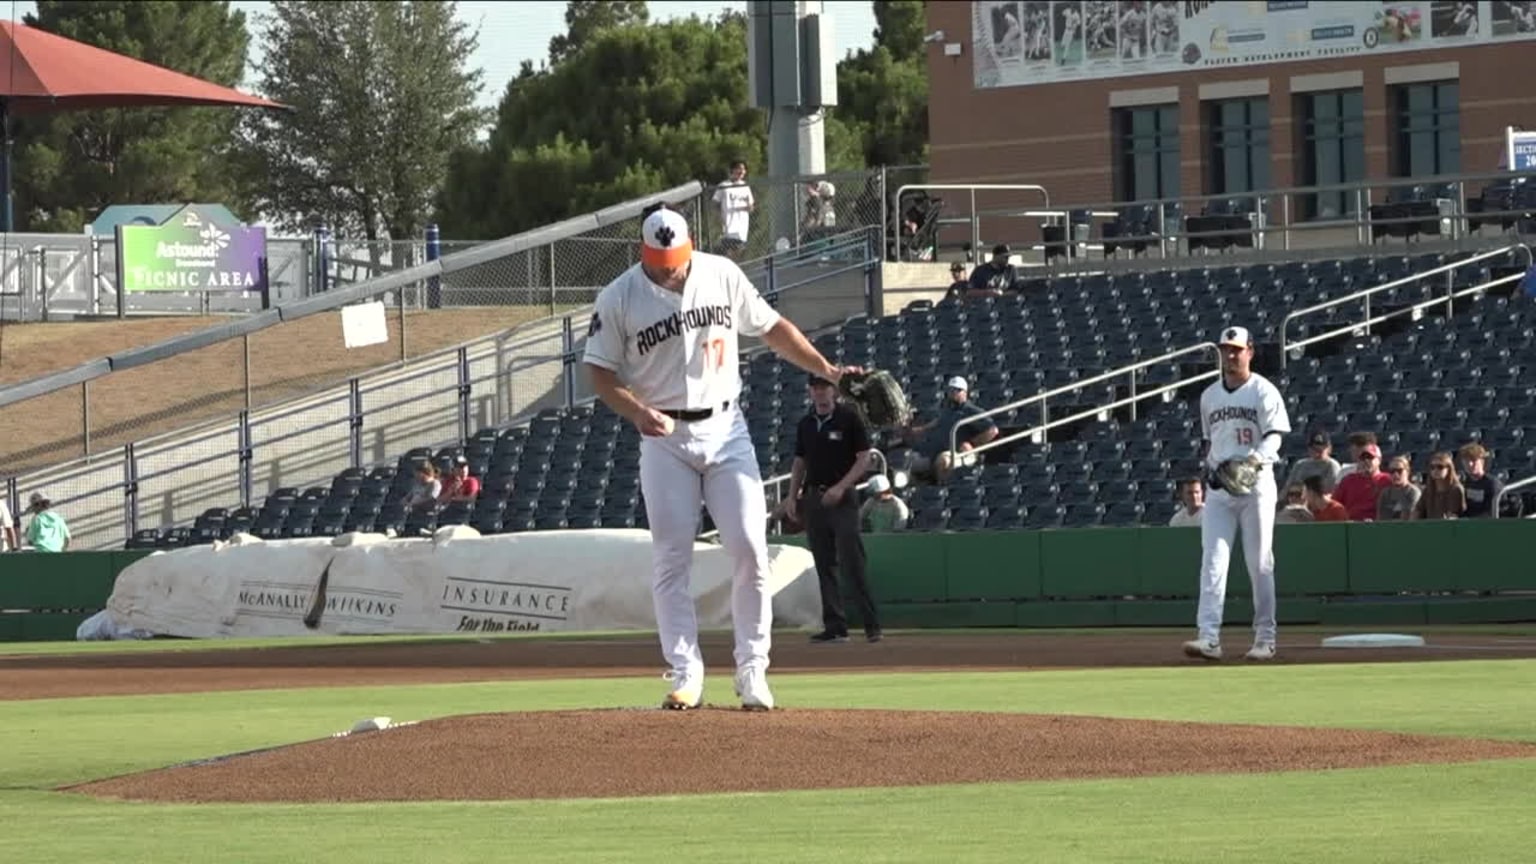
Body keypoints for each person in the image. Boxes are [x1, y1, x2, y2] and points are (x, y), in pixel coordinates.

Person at [583, 203, 855, 712]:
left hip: (727, 429)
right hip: (663, 436)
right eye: (660, 260)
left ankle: (753, 670)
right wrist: (635, 410)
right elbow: (599, 372)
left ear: (690, 246)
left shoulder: (721, 274)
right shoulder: (619, 296)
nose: (670, 268)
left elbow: (772, 328)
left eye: (677, 257)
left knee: (751, 548)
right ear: (645, 253)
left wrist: (828, 370)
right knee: (671, 558)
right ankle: (687, 673)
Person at [1182, 326, 1290, 662]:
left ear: (1250, 352)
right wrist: (1212, 466)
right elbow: (1209, 440)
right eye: (1225, 350)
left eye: (1236, 350)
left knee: (1259, 562)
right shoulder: (1209, 396)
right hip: (1219, 488)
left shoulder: (1263, 391)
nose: (1230, 356)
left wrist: (1256, 459)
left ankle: (1265, 637)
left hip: (1255, 485)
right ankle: (1209, 637)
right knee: (1212, 561)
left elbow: (1275, 435)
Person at [786, 373, 882, 645]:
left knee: (852, 560)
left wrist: (841, 487)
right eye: (815, 388)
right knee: (824, 563)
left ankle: (871, 624)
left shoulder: (849, 418)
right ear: (810, 392)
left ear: (834, 391)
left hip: (843, 498)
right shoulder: (806, 423)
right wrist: (793, 496)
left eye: (825, 387)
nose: (820, 392)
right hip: (814, 497)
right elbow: (799, 462)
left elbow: (864, 458)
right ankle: (835, 625)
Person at [902, 377, 999, 484]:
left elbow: (992, 430)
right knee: (908, 461)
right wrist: (919, 430)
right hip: (934, 450)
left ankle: (942, 491)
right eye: (951, 390)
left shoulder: (970, 410)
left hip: (956, 452)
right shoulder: (947, 409)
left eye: (957, 390)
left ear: (965, 392)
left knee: (944, 461)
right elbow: (937, 422)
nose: (953, 393)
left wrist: (972, 444)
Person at [1413, 451, 1467, 519]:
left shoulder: (1456, 489)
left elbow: (1456, 513)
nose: (1435, 470)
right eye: (1432, 467)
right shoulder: (1428, 490)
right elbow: (1419, 510)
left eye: (1440, 467)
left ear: (1449, 469)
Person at [1376, 455, 1421, 521]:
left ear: (1407, 472)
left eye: (1399, 471)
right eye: (1392, 471)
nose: (1395, 474)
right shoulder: (1385, 493)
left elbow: (1411, 520)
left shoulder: (1413, 492)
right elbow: (1380, 519)